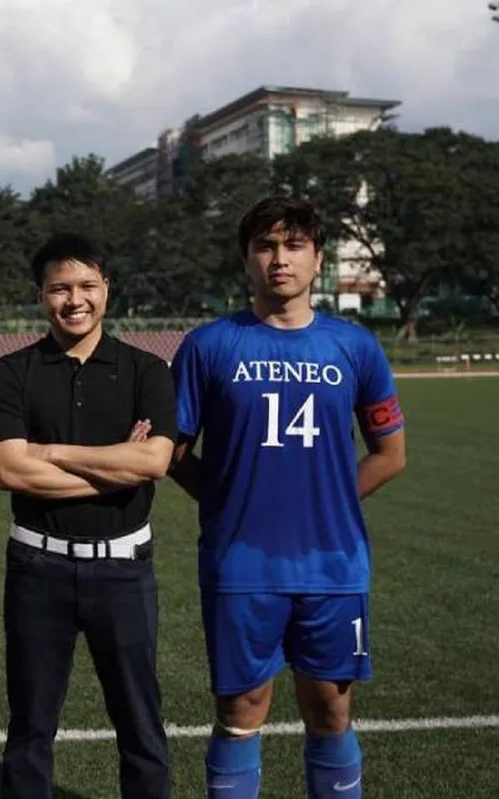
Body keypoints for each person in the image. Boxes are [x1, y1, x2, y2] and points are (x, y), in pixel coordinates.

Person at [169, 196, 407, 799]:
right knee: (242, 708)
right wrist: (222, 500)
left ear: (317, 259)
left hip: (333, 563)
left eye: (294, 245)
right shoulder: (208, 345)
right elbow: (170, 452)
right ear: (247, 259)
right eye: (265, 246)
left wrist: (329, 503)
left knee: (330, 709)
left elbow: (390, 453)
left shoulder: (355, 347)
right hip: (241, 563)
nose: (279, 259)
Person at [0, 232, 176, 799]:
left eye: (87, 285)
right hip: (37, 567)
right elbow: (11, 472)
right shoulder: (12, 372)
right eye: (60, 288)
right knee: (31, 725)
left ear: (107, 289)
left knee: (141, 723)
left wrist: (50, 450)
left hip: (124, 569)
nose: (75, 300)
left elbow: (154, 461)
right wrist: (117, 460)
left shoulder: (147, 371)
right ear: (41, 295)